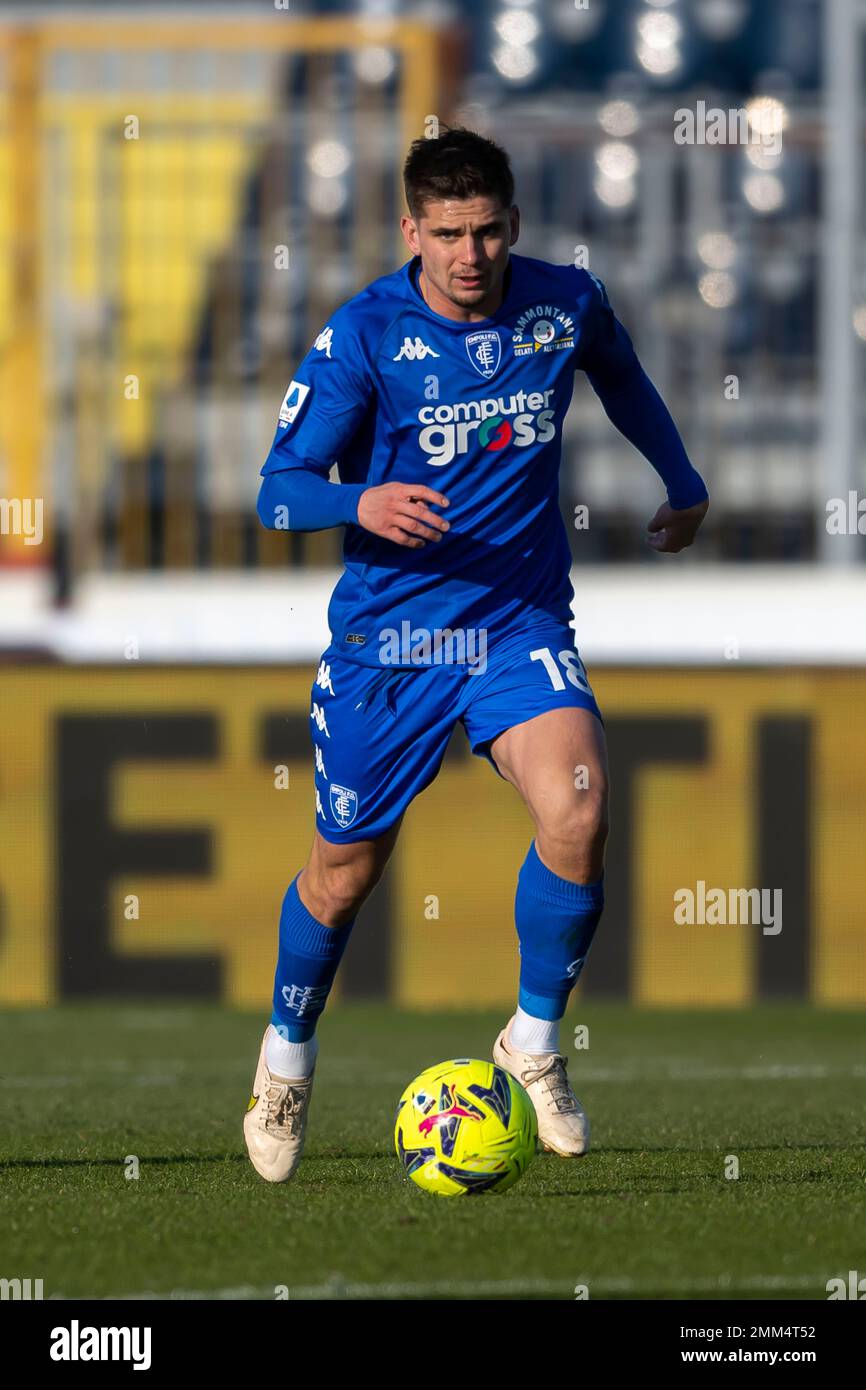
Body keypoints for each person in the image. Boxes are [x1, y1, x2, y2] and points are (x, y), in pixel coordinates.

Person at [244, 127, 709, 1184]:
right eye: (447, 233)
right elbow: (275, 488)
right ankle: (285, 1058)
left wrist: (679, 480)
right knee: (344, 872)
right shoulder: (364, 334)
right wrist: (357, 497)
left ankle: (532, 1043)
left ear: (514, 226)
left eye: (487, 230)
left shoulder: (561, 303)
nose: (469, 254)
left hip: (516, 619)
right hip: (391, 639)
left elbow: (622, 374)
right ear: (410, 229)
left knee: (580, 807)